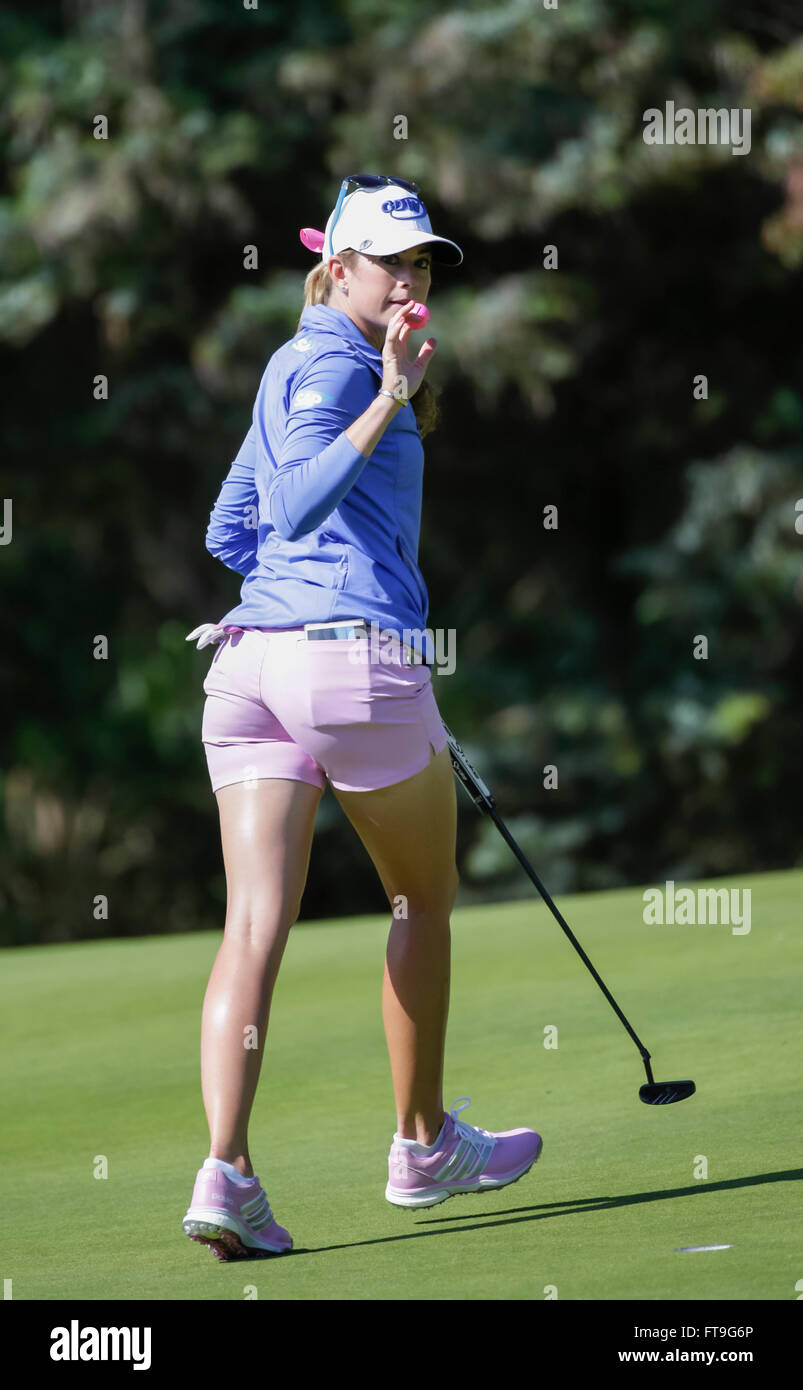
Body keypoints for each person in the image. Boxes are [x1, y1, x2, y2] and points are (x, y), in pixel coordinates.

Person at [181, 176, 542, 1261]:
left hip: (252, 672)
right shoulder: (341, 362)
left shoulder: (288, 361)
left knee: (254, 925)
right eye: (391, 262)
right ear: (335, 269)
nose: (411, 280)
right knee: (419, 897)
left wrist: (292, 606)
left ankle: (227, 1172)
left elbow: (231, 529)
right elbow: (286, 510)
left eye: (422, 263)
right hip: (350, 667)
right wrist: (386, 397)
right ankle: (422, 1145)